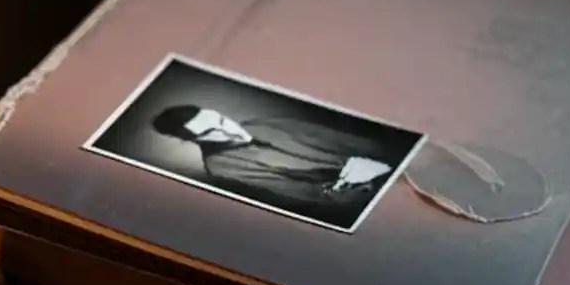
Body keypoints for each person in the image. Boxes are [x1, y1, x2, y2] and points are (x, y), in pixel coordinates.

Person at [150, 104, 393, 216]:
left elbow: (350, 141)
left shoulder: (268, 124)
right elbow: (309, 197)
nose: (230, 130)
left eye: (222, 121)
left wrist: (385, 160)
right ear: (191, 140)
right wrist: (357, 183)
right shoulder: (222, 167)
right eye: (210, 132)